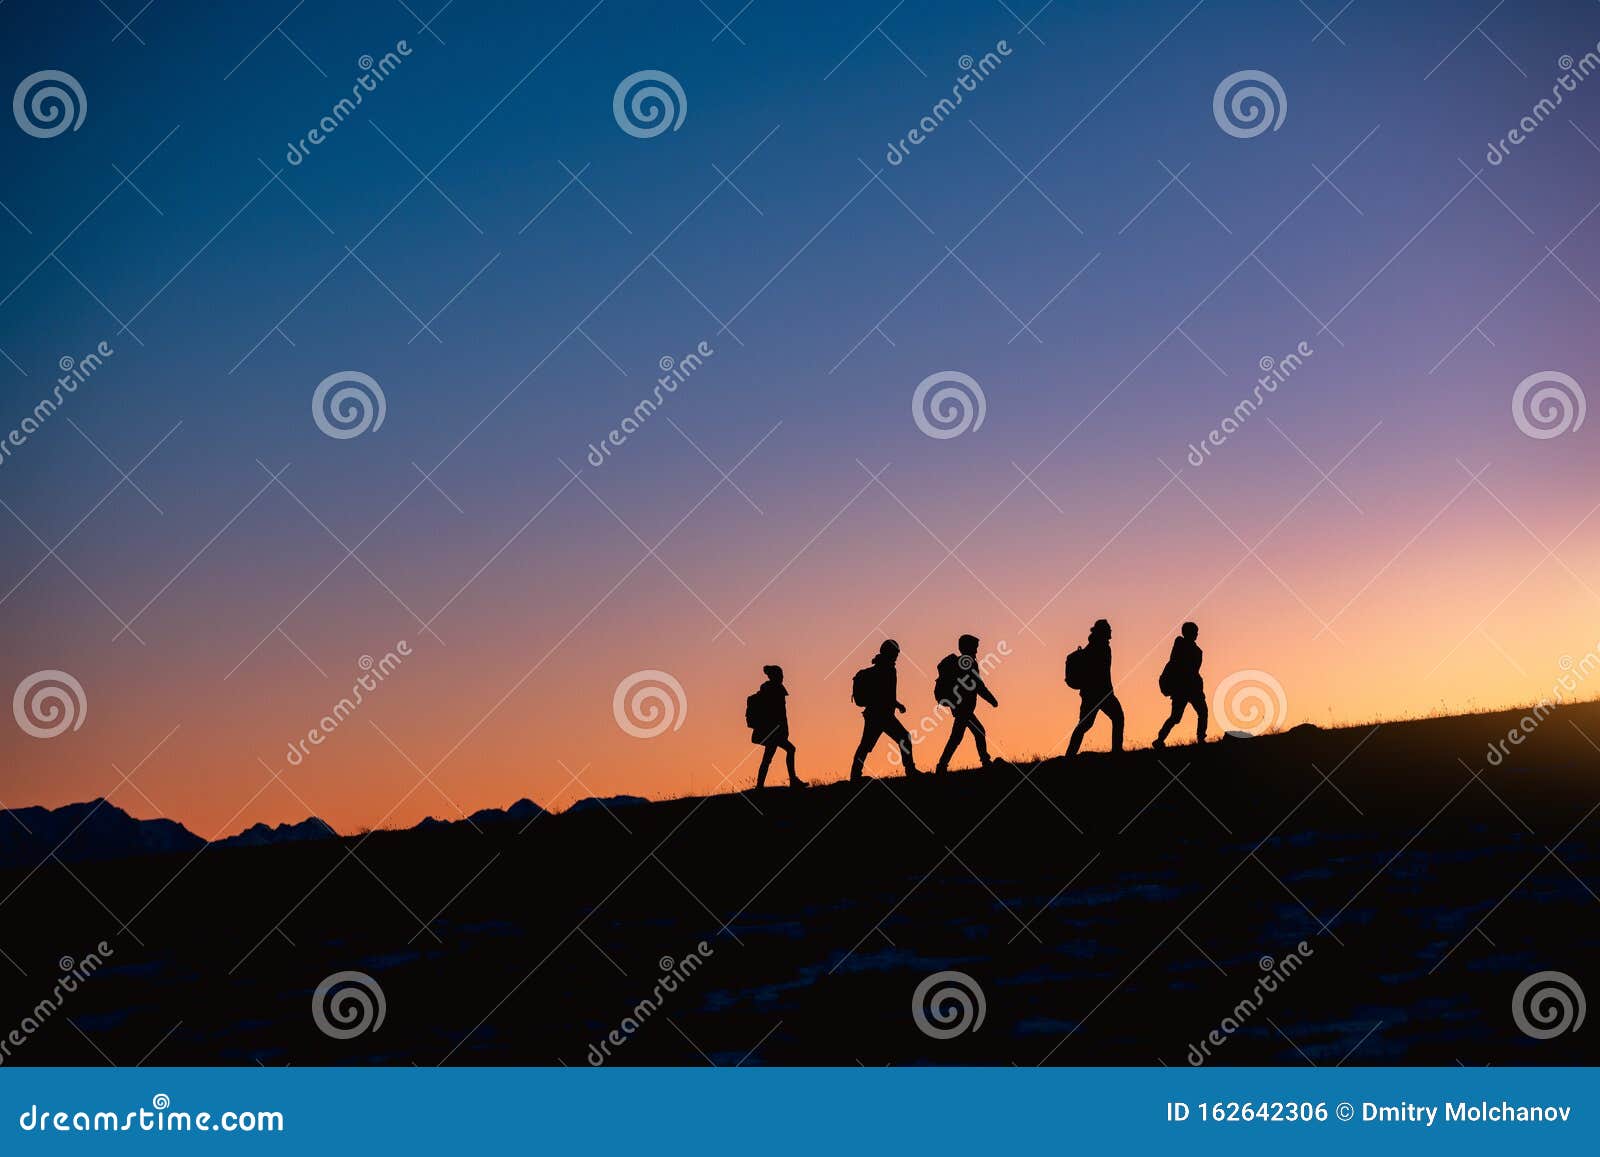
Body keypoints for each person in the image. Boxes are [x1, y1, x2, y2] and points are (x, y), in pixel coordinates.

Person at [849, 639, 919, 779]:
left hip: (878, 714)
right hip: (881, 715)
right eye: (895, 653)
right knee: (903, 738)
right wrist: (897, 705)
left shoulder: (884, 668)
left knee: (866, 746)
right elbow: (885, 693)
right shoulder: (887, 670)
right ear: (889, 653)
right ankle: (910, 771)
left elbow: (886, 694)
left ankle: (855, 775)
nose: (897, 656)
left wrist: (897, 705)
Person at [934, 634, 998, 775]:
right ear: (968, 647)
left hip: (961, 707)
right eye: (975, 647)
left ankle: (942, 765)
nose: (977, 650)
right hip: (964, 708)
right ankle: (984, 761)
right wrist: (991, 700)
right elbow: (978, 685)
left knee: (959, 737)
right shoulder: (968, 663)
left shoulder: (962, 662)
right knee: (974, 733)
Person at [1065, 618, 1123, 757]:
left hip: (1095, 694)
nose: (1110, 631)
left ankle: (1069, 756)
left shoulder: (1094, 646)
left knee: (1086, 725)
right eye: (1108, 629)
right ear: (1103, 632)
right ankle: (1116, 751)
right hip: (1098, 694)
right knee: (1113, 718)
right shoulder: (1099, 648)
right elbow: (1100, 673)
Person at [747, 665, 805, 788]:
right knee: (789, 750)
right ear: (775, 676)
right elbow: (777, 714)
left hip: (772, 731)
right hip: (774, 732)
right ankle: (792, 780)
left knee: (768, 758)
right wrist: (781, 729)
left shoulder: (769, 689)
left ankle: (760, 785)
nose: (782, 677)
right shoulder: (774, 690)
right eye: (780, 675)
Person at [1154, 622, 1207, 749]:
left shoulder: (1198, 651)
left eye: (1196, 632)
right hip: (1181, 689)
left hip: (1192, 688)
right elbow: (1181, 664)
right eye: (1194, 632)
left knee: (1202, 712)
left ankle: (1201, 738)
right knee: (1176, 718)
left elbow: (1195, 671)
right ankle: (1159, 740)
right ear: (1187, 633)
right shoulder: (1180, 643)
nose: (1197, 634)